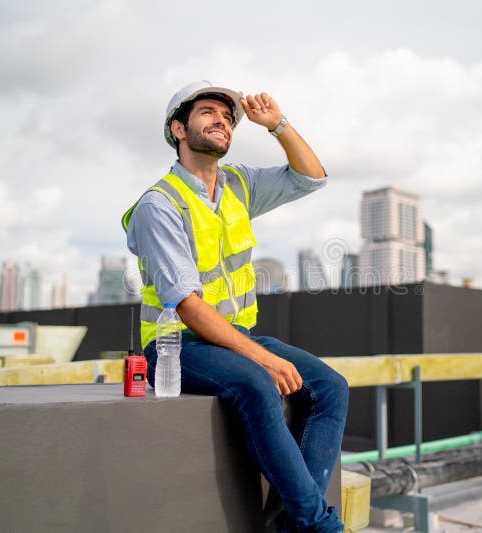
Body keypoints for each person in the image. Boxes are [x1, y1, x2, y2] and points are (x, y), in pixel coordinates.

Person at [122, 80, 349, 533]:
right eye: (207, 112)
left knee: (331, 387)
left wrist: (278, 125)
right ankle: (320, 526)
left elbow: (312, 177)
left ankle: (293, 524)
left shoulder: (238, 185)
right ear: (178, 129)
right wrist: (264, 359)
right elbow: (187, 306)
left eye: (227, 117)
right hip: (177, 346)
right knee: (258, 384)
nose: (222, 121)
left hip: (233, 339)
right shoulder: (159, 205)